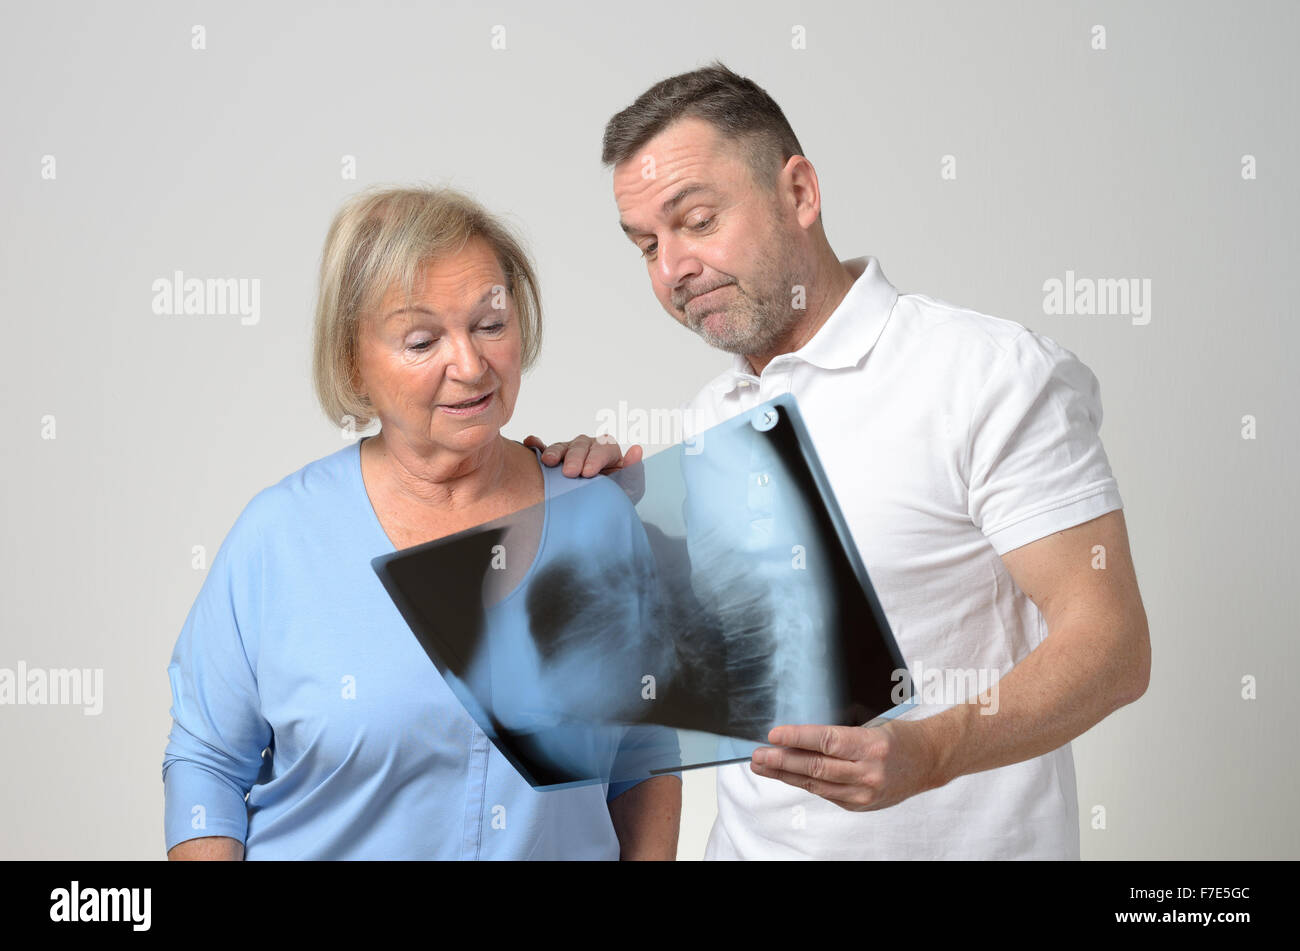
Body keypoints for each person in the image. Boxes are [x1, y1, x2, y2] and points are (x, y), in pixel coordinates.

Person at [536, 62, 1151, 859]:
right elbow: (704, 675)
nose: (671, 271)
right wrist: (589, 507)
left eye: (696, 219)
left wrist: (934, 750)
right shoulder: (707, 418)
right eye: (647, 245)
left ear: (799, 193)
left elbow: (1112, 644)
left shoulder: (985, 373)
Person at [162, 186, 681, 860]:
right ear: (353, 360)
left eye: (490, 324)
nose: (469, 365)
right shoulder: (279, 537)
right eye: (421, 338)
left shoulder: (598, 514)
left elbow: (643, 753)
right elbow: (207, 762)